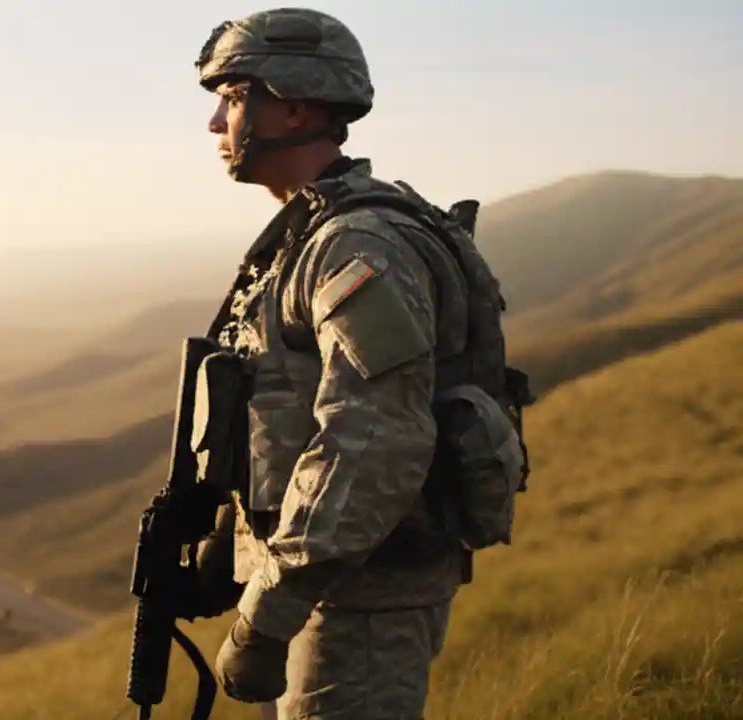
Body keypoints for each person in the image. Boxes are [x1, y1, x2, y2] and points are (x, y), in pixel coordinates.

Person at [191, 8, 525, 720]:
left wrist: (268, 613)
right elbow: (285, 413)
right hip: (326, 588)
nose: (215, 122)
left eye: (233, 96)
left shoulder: (355, 246)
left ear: (293, 105)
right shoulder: (309, 236)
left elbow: (373, 441)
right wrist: (232, 545)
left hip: (358, 600)